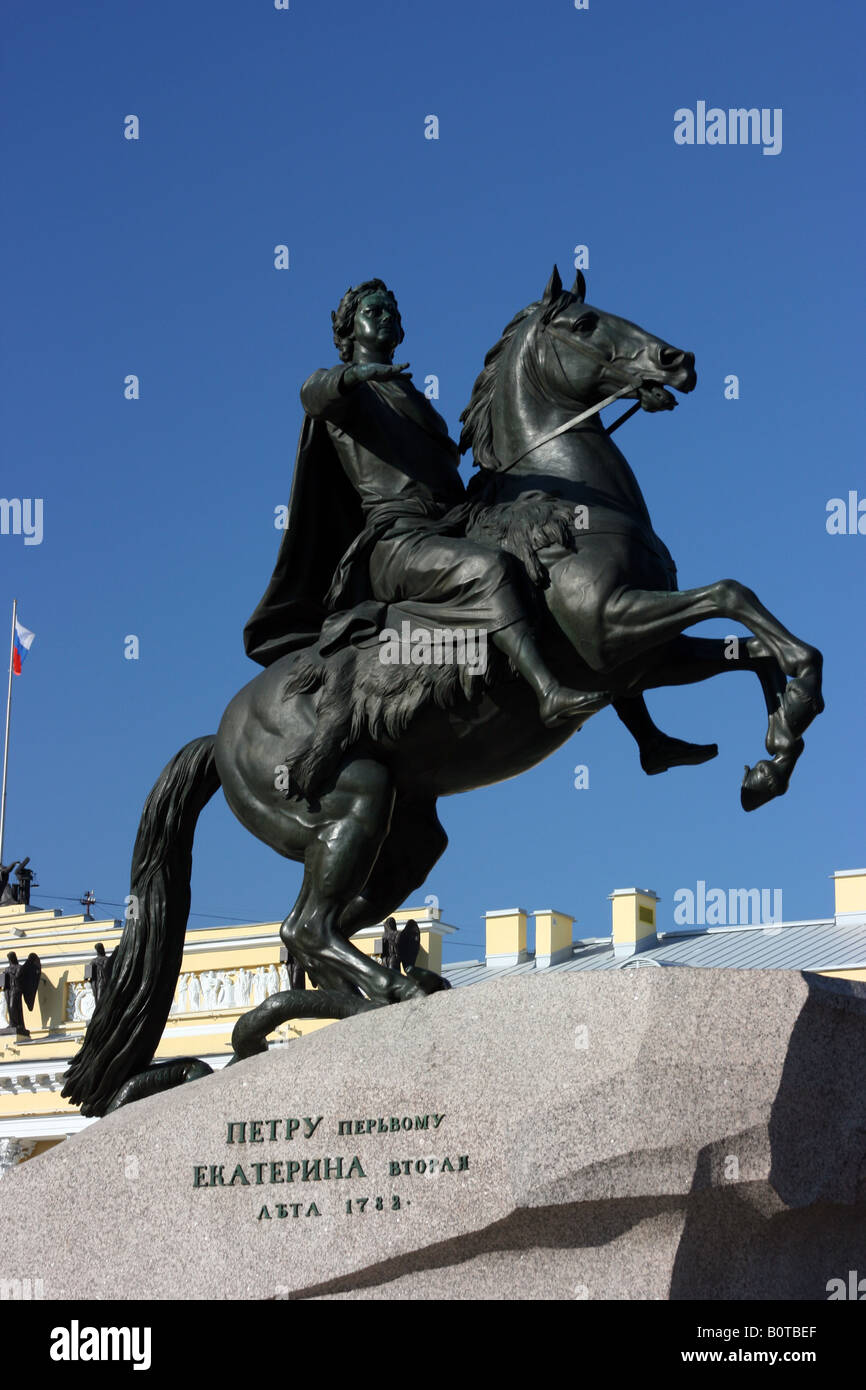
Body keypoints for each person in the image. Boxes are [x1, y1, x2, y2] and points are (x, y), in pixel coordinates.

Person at [244, 279, 601, 728]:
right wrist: (353, 376)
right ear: (349, 331)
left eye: (392, 312)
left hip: (449, 525)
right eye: (373, 312)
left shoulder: (414, 397)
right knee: (490, 569)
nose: (387, 317)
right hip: (397, 542)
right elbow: (312, 393)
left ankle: (646, 732)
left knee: (558, 564)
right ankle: (547, 691)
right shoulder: (349, 396)